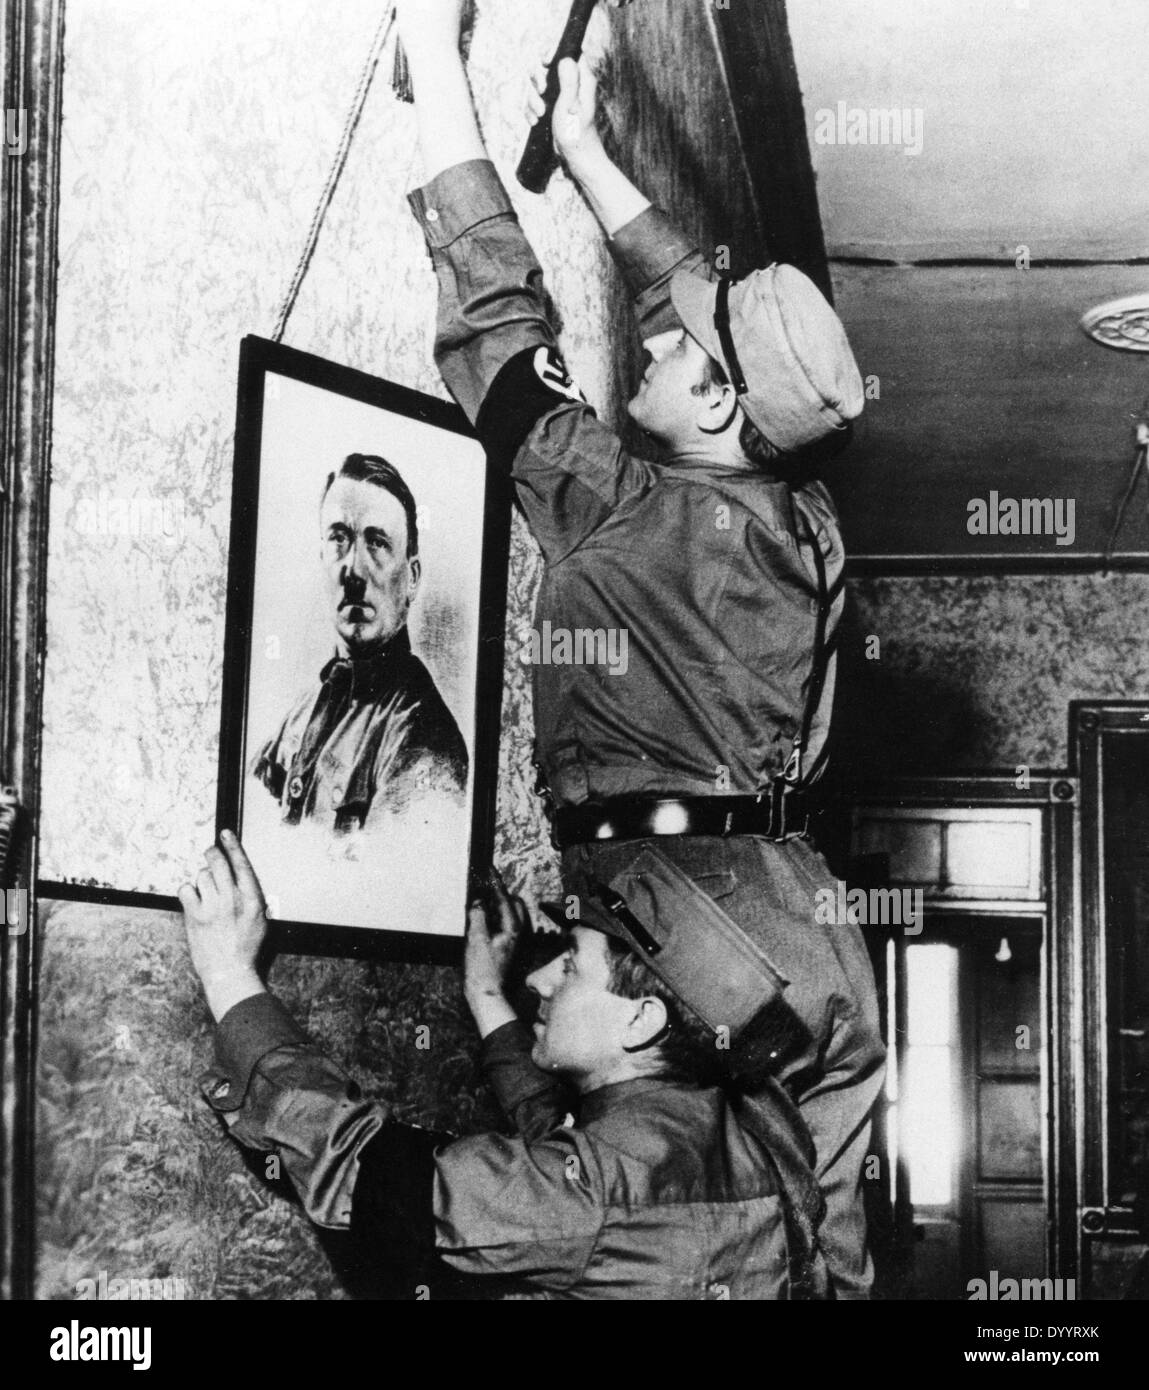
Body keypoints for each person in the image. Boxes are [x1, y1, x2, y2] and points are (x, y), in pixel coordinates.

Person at [395, 0, 885, 1297]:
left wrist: (432, 73)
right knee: (810, 1227)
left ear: (720, 403)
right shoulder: (805, 518)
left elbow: (499, 329)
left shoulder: (624, 507)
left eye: (674, 344)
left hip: (709, 910)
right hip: (793, 921)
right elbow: (695, 302)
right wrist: (592, 151)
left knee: (743, 1211)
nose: (653, 335)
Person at [181, 832, 828, 1300]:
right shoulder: (760, 1125)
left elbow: (366, 1171)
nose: (542, 977)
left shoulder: (595, 1191)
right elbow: (573, 1148)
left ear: (642, 1020)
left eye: (571, 964)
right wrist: (487, 996)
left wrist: (227, 973)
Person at [253, 452, 468, 834]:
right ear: (322, 560)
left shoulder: (422, 734)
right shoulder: (301, 713)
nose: (353, 570)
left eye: (377, 543)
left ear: (412, 577)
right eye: (339, 539)